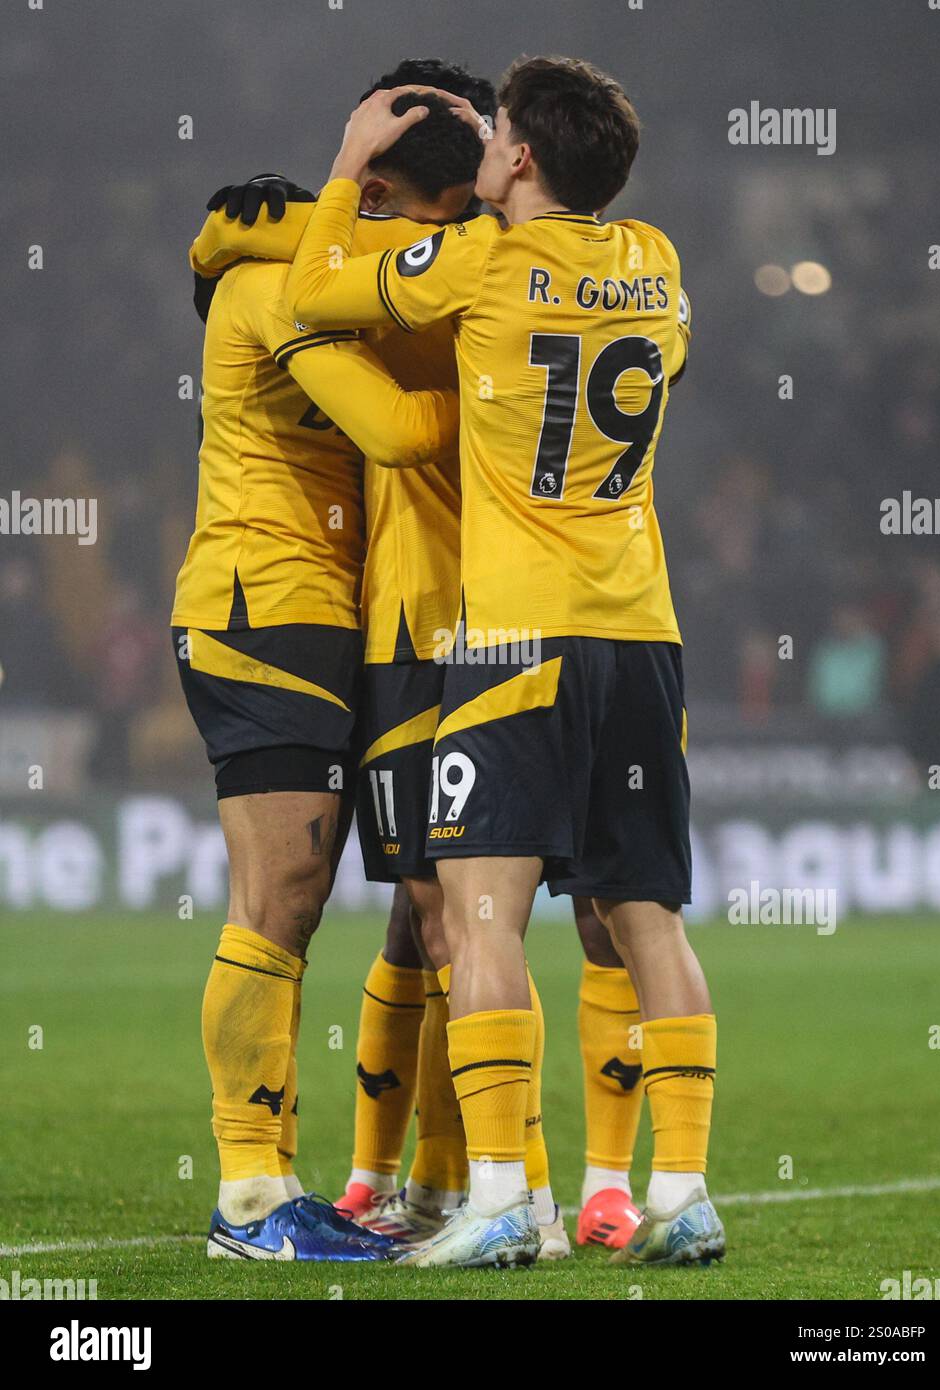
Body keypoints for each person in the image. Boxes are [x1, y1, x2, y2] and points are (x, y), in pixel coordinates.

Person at [282, 56, 722, 1271]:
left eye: (500, 135)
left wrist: (342, 164)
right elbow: (666, 363)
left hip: (518, 635)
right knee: (646, 918)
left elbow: (320, 290)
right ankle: (679, 1193)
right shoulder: (658, 260)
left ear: (517, 157)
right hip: (643, 630)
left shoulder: (480, 264)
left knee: (480, 916)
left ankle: (497, 1203)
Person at [175, 84, 479, 1262]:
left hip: (330, 612)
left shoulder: (316, 256)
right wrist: (523, 403)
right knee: (283, 893)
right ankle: (251, 1194)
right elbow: (400, 426)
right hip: (263, 601)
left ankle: (389, 1183)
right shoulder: (272, 284)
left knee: (356, 902)